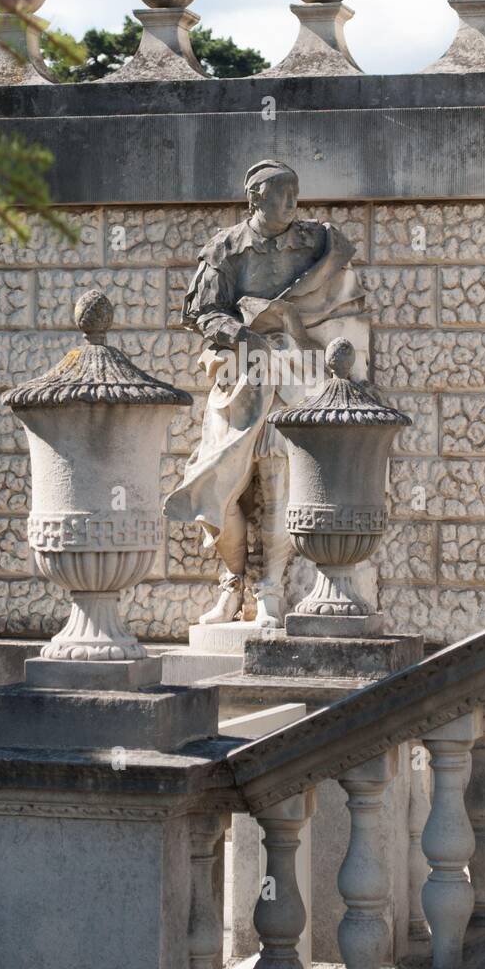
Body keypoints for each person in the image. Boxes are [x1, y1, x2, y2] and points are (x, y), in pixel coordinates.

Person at [163, 159, 366, 627]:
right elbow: (200, 311)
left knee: (280, 483)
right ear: (255, 197)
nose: (293, 202)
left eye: (295, 193)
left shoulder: (316, 241)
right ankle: (232, 585)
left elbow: (341, 301)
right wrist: (241, 332)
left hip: (293, 378)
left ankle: (270, 591)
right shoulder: (227, 249)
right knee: (216, 486)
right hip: (238, 377)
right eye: (282, 193)